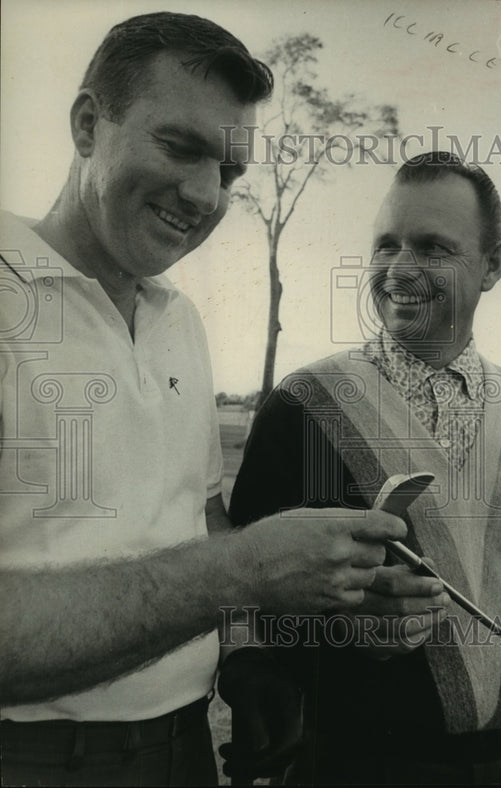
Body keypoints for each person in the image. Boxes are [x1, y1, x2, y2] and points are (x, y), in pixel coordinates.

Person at [0, 13, 405, 787]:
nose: (204, 195)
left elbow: (199, 514)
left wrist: (252, 659)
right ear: (89, 124)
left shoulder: (177, 318)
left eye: (228, 172)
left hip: (183, 753)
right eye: (179, 147)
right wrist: (243, 571)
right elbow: (224, 560)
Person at [227, 152, 501, 785]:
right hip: (352, 763)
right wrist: (339, 628)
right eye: (386, 244)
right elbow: (239, 599)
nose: (398, 270)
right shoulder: (305, 405)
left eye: (432, 247)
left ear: (493, 265)